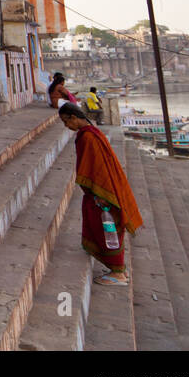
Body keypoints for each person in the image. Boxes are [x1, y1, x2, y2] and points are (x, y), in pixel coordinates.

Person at [60, 102, 143, 285]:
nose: (67, 126)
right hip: (106, 187)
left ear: (74, 117)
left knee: (107, 229)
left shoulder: (87, 137)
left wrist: (98, 192)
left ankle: (118, 273)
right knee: (107, 227)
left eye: (66, 122)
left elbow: (91, 166)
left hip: (102, 190)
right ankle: (118, 269)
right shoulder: (92, 132)